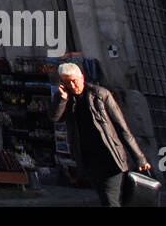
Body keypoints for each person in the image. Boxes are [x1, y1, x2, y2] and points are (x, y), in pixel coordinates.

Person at [51, 62, 152, 206]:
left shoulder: (100, 94)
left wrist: (139, 158)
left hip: (110, 156)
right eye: (67, 83)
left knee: (110, 200)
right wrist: (62, 99)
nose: (72, 86)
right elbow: (55, 117)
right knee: (108, 199)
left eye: (74, 81)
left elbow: (122, 128)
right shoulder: (64, 99)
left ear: (82, 77)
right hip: (89, 161)